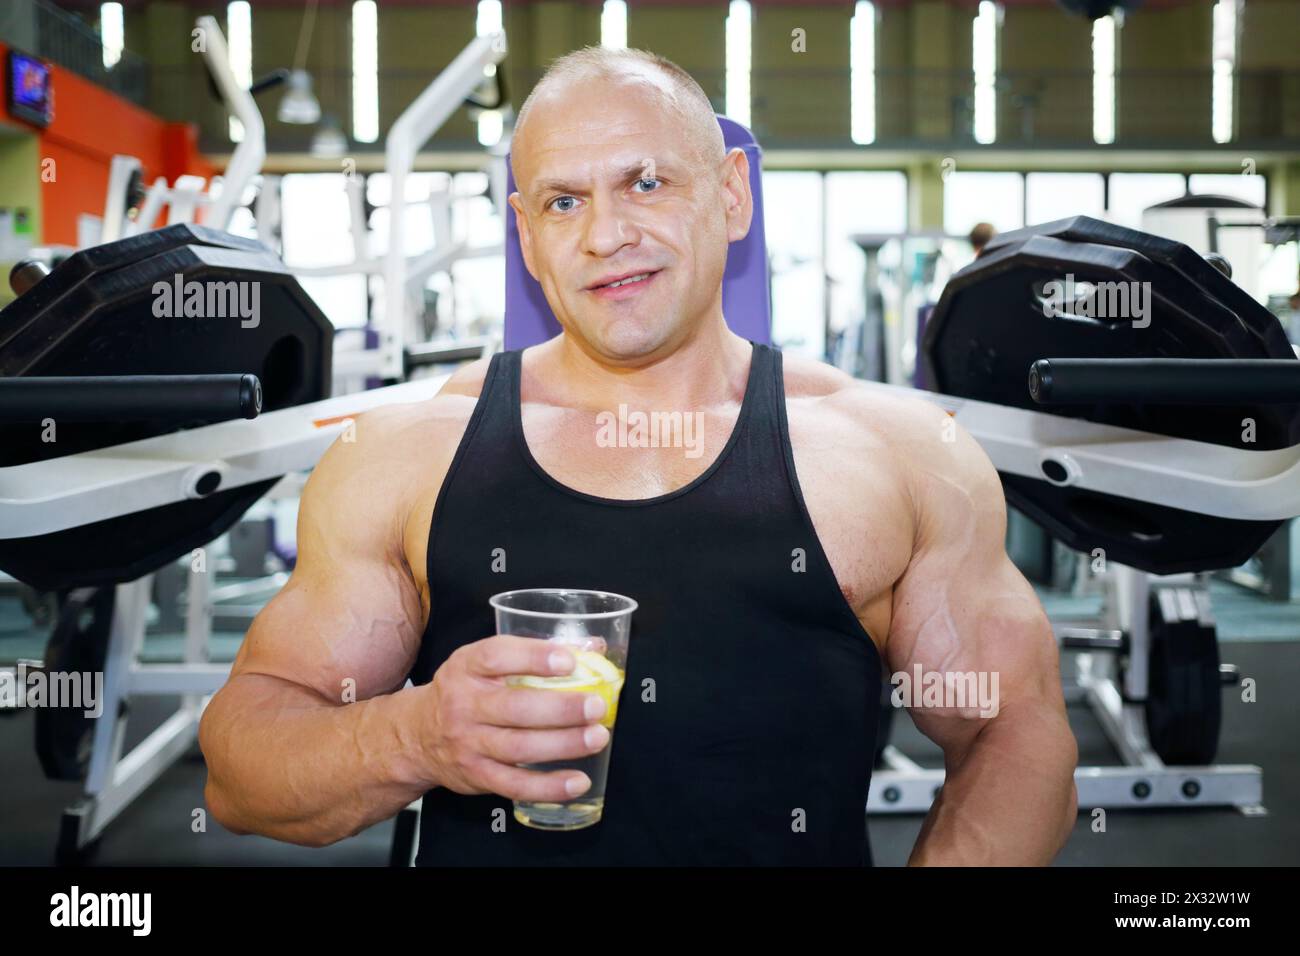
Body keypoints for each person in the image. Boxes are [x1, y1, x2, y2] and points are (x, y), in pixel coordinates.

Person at [200, 46, 1077, 866]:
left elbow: (1015, 735)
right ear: (528, 236)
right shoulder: (404, 457)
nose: (605, 234)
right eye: (563, 201)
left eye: (646, 182)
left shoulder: (899, 454)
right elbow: (242, 773)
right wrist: (415, 736)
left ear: (733, 193)